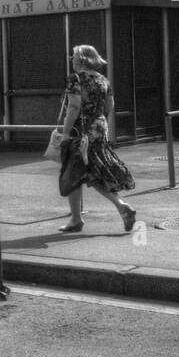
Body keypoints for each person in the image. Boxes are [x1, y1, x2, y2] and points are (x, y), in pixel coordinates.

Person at [58, 44, 136, 234]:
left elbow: (74, 107)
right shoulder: (103, 79)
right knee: (87, 171)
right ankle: (76, 218)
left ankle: (119, 206)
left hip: (79, 132)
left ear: (82, 59)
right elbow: (110, 105)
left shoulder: (75, 79)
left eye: (74, 56)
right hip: (99, 128)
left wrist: (66, 133)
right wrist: (97, 120)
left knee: (75, 170)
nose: (72, 60)